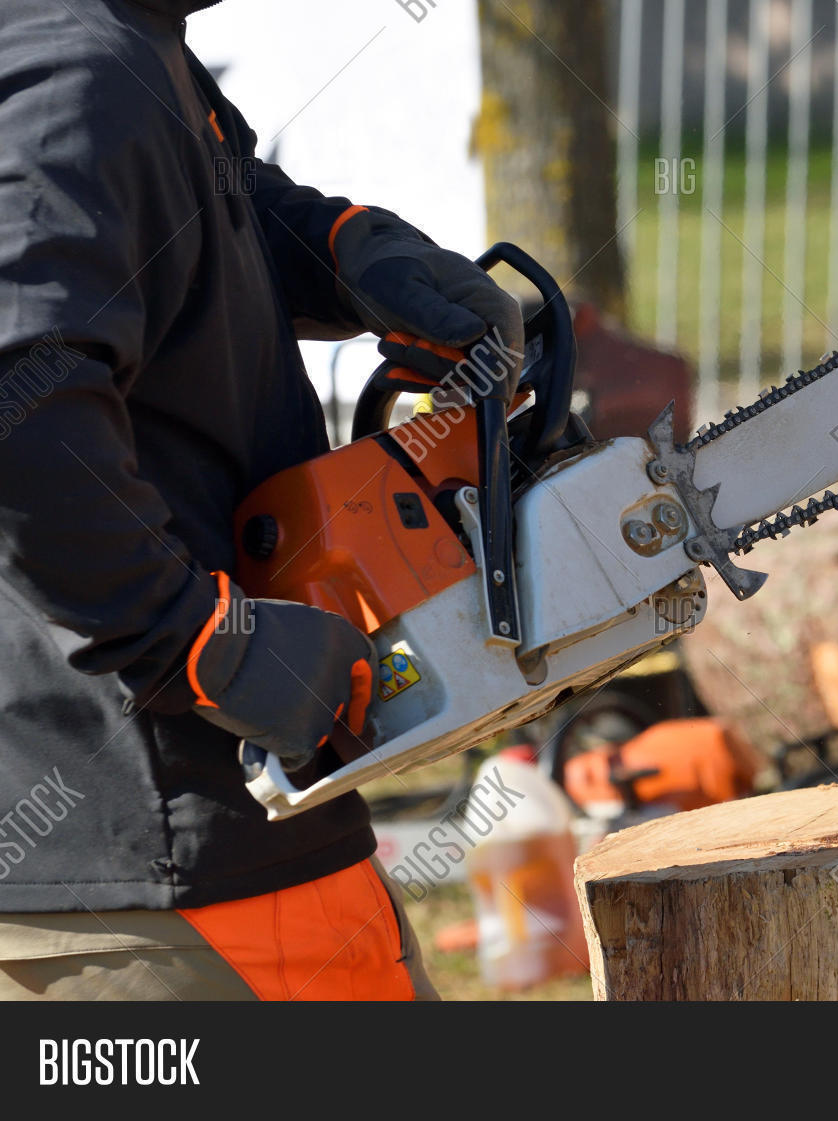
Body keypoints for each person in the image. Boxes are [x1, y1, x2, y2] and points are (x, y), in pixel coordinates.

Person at [0, 0, 522, 999]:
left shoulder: (120, 42)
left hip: (207, 845)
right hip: (165, 876)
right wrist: (198, 638)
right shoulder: (74, 69)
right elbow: (21, 408)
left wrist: (339, 245)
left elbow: (187, 202)